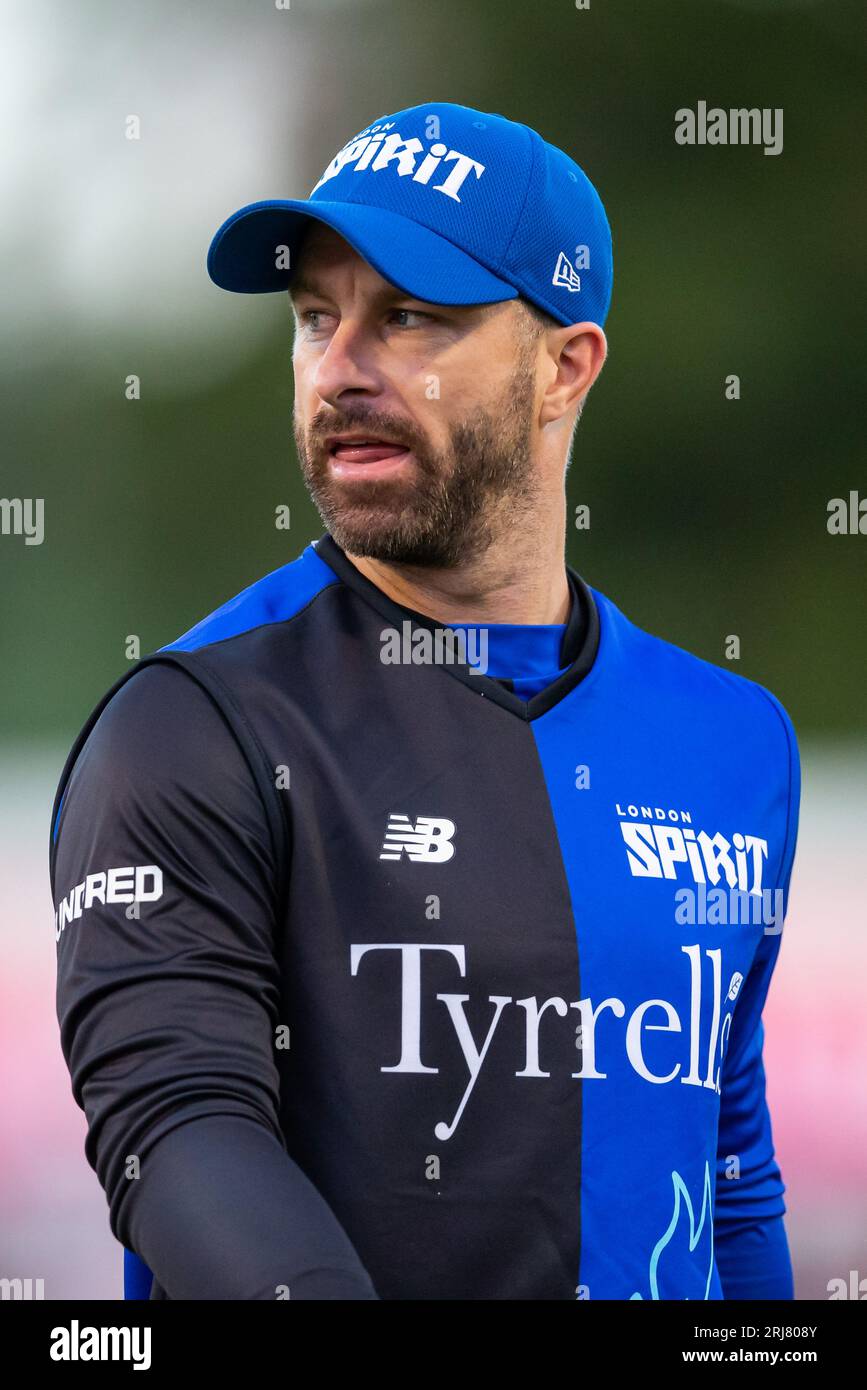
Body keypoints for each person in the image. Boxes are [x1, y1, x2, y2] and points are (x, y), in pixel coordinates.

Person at [51, 101, 798, 1300]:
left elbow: (728, 1170)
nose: (340, 368)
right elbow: (176, 1125)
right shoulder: (192, 721)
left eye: (410, 317)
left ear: (566, 366)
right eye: (315, 318)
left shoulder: (734, 739)